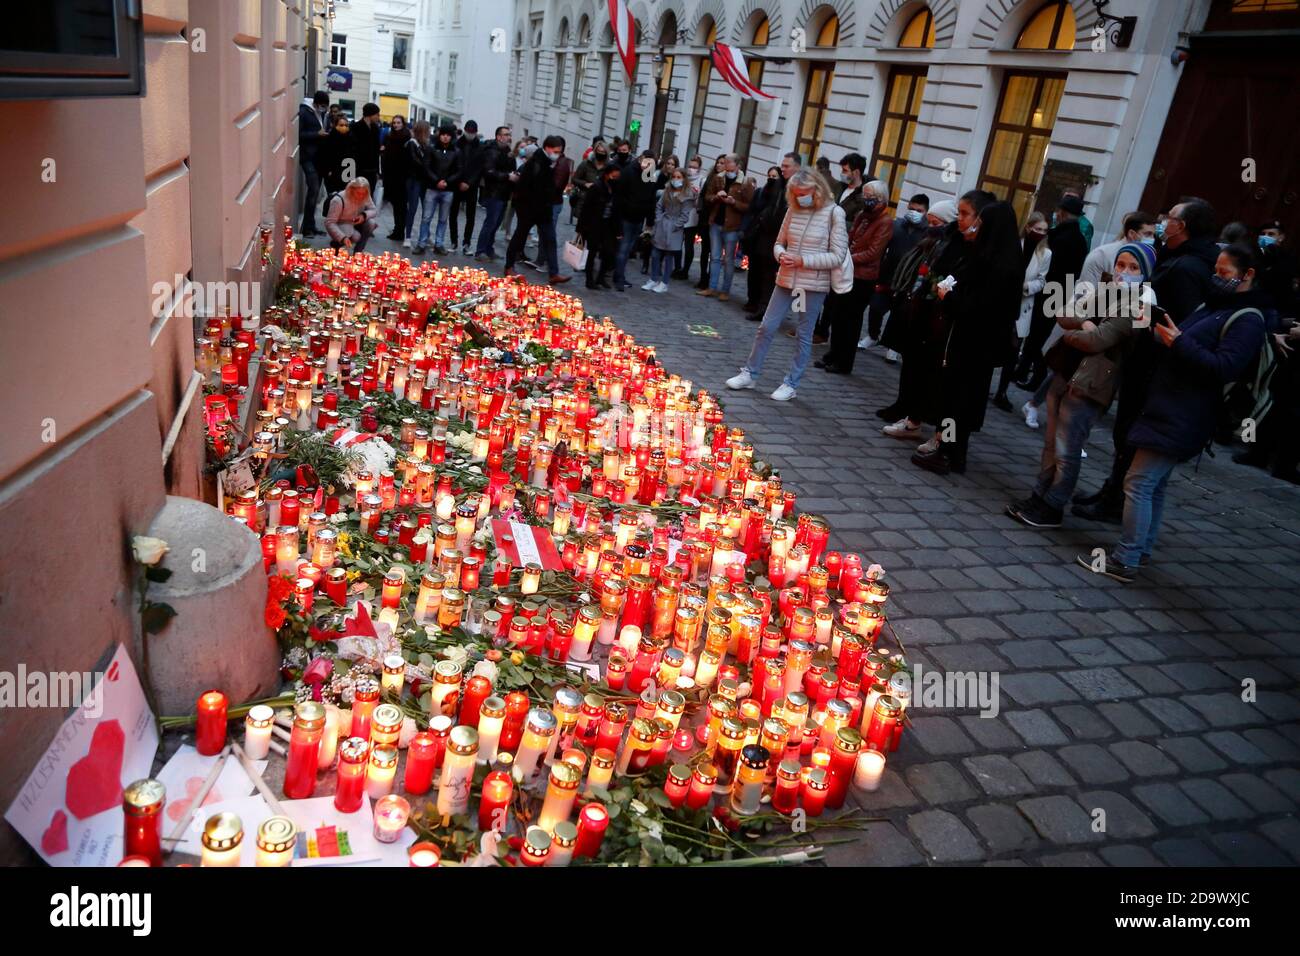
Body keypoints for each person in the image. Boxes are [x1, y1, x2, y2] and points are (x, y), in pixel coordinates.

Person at [1078, 243, 1270, 582]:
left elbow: (1224, 366)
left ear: (1248, 275)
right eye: (1216, 271)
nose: (1216, 278)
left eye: (1224, 273)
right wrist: (1158, 330)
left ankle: (1126, 557)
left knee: (1137, 481)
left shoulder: (1248, 319)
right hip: (1168, 403)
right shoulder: (1213, 305)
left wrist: (1178, 342)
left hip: (1186, 411)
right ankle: (1140, 551)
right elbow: (1180, 337)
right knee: (1154, 484)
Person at [1074, 197, 1219, 522]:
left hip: (1152, 365)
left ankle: (1115, 502)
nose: (1164, 221)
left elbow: (1174, 322)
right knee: (1125, 432)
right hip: (1147, 360)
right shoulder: (1178, 258)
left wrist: (1138, 322)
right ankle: (1112, 490)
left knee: (1130, 432)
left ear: (1181, 226)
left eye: (1170, 217)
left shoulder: (1187, 267)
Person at [1007, 242, 1156, 528]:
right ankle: (1040, 495)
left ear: (1145, 274)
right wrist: (1082, 323)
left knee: (1068, 449)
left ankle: (1053, 505)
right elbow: (1064, 313)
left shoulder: (1140, 306)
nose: (1124, 272)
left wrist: (1076, 329)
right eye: (1121, 265)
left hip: (1091, 385)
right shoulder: (1104, 291)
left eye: (1133, 268)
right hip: (1065, 373)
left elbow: (1098, 339)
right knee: (1051, 443)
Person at [912, 195, 1021, 475]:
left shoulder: (994, 264)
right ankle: (955, 453)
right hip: (983, 346)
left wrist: (947, 297)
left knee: (956, 402)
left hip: (970, 342)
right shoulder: (1007, 258)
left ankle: (946, 453)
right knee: (966, 400)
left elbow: (974, 306)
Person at [724, 168, 849, 402]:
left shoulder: (834, 213)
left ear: (817, 189)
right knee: (766, 327)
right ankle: (750, 373)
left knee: (803, 333)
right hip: (786, 277)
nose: (800, 196)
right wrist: (781, 254)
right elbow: (779, 242)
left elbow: (837, 255)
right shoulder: (793, 209)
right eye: (796, 192)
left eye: (804, 192)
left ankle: (791, 383)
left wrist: (803, 260)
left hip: (810, 285)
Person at [878, 198, 961, 430]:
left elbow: (936, 277)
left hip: (927, 310)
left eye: (936, 222)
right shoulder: (928, 241)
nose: (931, 225)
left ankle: (911, 411)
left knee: (917, 368)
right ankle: (902, 404)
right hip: (910, 302)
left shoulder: (947, 246)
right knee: (908, 363)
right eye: (930, 221)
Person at [1014, 194, 1090, 390]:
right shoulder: (1080, 240)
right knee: (1038, 335)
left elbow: (1047, 268)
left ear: (1062, 214)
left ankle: (1036, 373)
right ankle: (1022, 371)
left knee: (1034, 337)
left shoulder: (1057, 237)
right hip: (1060, 292)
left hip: (1046, 291)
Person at [817, 180, 893, 375]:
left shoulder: (884, 221)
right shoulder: (862, 215)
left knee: (851, 321)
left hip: (863, 278)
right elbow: (849, 237)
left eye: (870, 198)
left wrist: (845, 258)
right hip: (847, 271)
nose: (865, 200)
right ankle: (833, 353)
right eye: (864, 196)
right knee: (837, 315)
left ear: (881, 199)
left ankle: (844, 361)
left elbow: (873, 253)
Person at [992, 212, 1052, 411]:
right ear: (1028, 227)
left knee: (1012, 350)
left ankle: (1002, 391)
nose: (1041, 233)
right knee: (995, 344)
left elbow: (1042, 281)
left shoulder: (1045, 254)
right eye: (1038, 229)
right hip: (1003, 303)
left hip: (1023, 304)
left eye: (1044, 230)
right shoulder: (1014, 246)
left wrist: (1025, 287)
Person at [865, 193, 930, 357]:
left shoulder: (928, 232)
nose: (914, 212)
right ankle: (873, 336)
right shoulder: (897, 225)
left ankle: (892, 347)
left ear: (926, 212)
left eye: (919, 210)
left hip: (908, 280)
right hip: (888, 274)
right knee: (876, 307)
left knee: (899, 314)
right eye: (911, 208)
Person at [505, 134, 570, 284]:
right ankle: (509, 266)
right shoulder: (535, 163)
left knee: (550, 239)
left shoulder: (548, 163)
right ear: (547, 148)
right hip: (529, 208)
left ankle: (554, 273)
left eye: (559, 151)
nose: (558, 154)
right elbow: (525, 187)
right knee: (519, 237)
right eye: (556, 151)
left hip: (543, 209)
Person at [697, 153, 755, 302]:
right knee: (715, 257)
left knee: (728, 259)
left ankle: (725, 290)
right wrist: (716, 196)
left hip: (732, 226)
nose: (726, 165)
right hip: (716, 222)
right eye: (725, 162)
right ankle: (712, 287)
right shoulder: (718, 178)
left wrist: (733, 202)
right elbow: (707, 197)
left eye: (729, 163)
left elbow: (749, 207)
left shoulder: (745, 182)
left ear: (737, 166)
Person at [610, 152, 661, 291]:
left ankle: (619, 275)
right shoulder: (628, 172)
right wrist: (619, 217)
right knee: (623, 249)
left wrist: (650, 220)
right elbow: (619, 197)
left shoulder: (649, 176)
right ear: (641, 159)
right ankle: (619, 278)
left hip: (639, 218)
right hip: (626, 217)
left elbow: (651, 199)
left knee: (628, 249)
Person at [743, 165, 787, 316]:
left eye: (775, 176)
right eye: (770, 176)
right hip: (756, 236)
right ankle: (752, 300)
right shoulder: (761, 192)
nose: (771, 179)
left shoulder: (780, 195)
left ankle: (762, 305)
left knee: (766, 274)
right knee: (753, 271)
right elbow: (751, 211)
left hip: (769, 240)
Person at [1079, 211, 1156, 290]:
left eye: (1153, 235)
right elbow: (1085, 292)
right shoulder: (1102, 254)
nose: (1152, 239)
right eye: (1148, 234)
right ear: (1132, 234)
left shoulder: (1147, 256)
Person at [643, 168, 692, 293]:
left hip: (674, 228)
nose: (676, 179)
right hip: (662, 224)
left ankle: (664, 282)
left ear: (684, 179)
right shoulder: (667, 191)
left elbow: (685, 215)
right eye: (674, 177)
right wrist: (659, 219)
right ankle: (653, 279)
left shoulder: (687, 196)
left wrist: (676, 225)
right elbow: (659, 206)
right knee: (655, 253)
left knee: (669, 256)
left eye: (679, 177)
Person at [415, 125, 462, 255]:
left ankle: (439, 243)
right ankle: (422, 243)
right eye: (443, 134)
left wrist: (447, 182)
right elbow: (426, 166)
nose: (445, 137)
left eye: (448, 135)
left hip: (448, 189)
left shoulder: (456, 151)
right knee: (426, 217)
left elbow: (459, 170)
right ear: (439, 135)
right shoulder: (432, 148)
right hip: (432, 187)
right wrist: (437, 181)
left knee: (443, 218)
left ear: (451, 137)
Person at [475, 126, 517, 261]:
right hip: (493, 192)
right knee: (490, 222)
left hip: (504, 192)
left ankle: (489, 248)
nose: (509, 137)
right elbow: (489, 172)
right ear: (499, 136)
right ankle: (480, 250)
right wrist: (507, 176)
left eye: (509, 134)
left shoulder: (507, 151)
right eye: (506, 135)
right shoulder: (492, 151)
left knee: (496, 223)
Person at [577, 163, 621, 289]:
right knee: (592, 252)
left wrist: (618, 231)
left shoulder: (615, 188)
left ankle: (601, 277)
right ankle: (589, 279)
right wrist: (581, 228)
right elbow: (586, 208)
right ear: (607, 174)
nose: (616, 179)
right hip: (594, 224)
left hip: (608, 225)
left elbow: (616, 210)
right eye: (614, 176)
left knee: (609, 252)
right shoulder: (597, 187)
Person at [297, 90, 331, 236]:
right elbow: (299, 134)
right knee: (313, 190)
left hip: (318, 158)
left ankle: (310, 225)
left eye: (325, 106)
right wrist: (317, 134)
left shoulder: (320, 113)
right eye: (322, 106)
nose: (324, 109)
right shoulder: (305, 112)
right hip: (307, 157)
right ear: (316, 104)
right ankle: (307, 228)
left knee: (315, 193)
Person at [450, 120, 485, 255]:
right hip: (456, 183)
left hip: (472, 185)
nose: (470, 134)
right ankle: (454, 241)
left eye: (473, 132)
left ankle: (466, 243)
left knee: (471, 216)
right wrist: (459, 181)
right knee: (453, 213)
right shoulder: (456, 144)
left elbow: (480, 168)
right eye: (468, 131)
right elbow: (453, 165)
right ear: (464, 130)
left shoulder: (480, 147)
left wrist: (469, 182)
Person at [692, 155, 726, 288]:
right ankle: (703, 277)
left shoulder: (724, 181)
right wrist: (700, 212)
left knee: (715, 252)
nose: (719, 165)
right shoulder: (711, 178)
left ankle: (711, 279)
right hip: (705, 218)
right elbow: (703, 196)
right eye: (718, 162)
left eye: (722, 163)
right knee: (705, 250)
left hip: (717, 219)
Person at [324, 177, 380, 253]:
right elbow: (329, 222)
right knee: (356, 237)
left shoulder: (365, 194)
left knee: (371, 223)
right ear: (352, 189)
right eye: (358, 193)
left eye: (363, 194)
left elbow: (374, 210)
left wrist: (363, 216)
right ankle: (337, 245)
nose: (361, 196)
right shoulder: (338, 200)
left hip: (356, 221)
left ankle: (358, 252)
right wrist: (342, 238)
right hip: (342, 223)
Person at [675, 155, 707, 280]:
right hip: (679, 213)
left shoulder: (701, 180)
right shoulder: (683, 178)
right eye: (690, 166)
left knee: (688, 244)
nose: (691, 169)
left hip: (692, 217)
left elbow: (701, 199)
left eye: (694, 167)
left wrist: (696, 194)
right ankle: (677, 267)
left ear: (699, 168)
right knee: (677, 243)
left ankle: (685, 270)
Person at [403, 121, 434, 251]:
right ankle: (408, 236)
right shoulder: (412, 143)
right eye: (428, 130)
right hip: (414, 180)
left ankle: (425, 235)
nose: (430, 133)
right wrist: (428, 168)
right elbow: (416, 162)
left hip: (423, 181)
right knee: (413, 208)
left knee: (426, 210)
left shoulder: (426, 145)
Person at [380, 115, 411, 241]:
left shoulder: (406, 138)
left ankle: (400, 231)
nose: (396, 125)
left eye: (398, 122)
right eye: (394, 123)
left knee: (401, 206)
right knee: (395, 206)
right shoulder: (389, 137)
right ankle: (397, 229)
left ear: (403, 124)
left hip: (401, 178)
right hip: (390, 176)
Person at [319, 113, 359, 199]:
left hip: (347, 173)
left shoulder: (352, 138)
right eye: (341, 125)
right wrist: (328, 171)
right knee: (333, 199)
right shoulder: (329, 139)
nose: (344, 127)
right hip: (333, 175)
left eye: (346, 125)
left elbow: (353, 157)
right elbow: (325, 156)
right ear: (335, 125)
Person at [570, 142, 607, 226]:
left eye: (603, 152)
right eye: (599, 151)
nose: (601, 154)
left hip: (599, 203)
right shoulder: (586, 164)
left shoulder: (608, 167)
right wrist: (585, 184)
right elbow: (574, 179)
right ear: (595, 151)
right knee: (581, 229)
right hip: (584, 200)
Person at [351, 103, 383, 194]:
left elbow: (376, 150)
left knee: (369, 196)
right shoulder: (355, 127)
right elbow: (351, 150)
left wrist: (377, 171)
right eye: (377, 114)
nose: (378, 117)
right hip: (359, 170)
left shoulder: (375, 128)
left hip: (372, 170)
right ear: (370, 114)